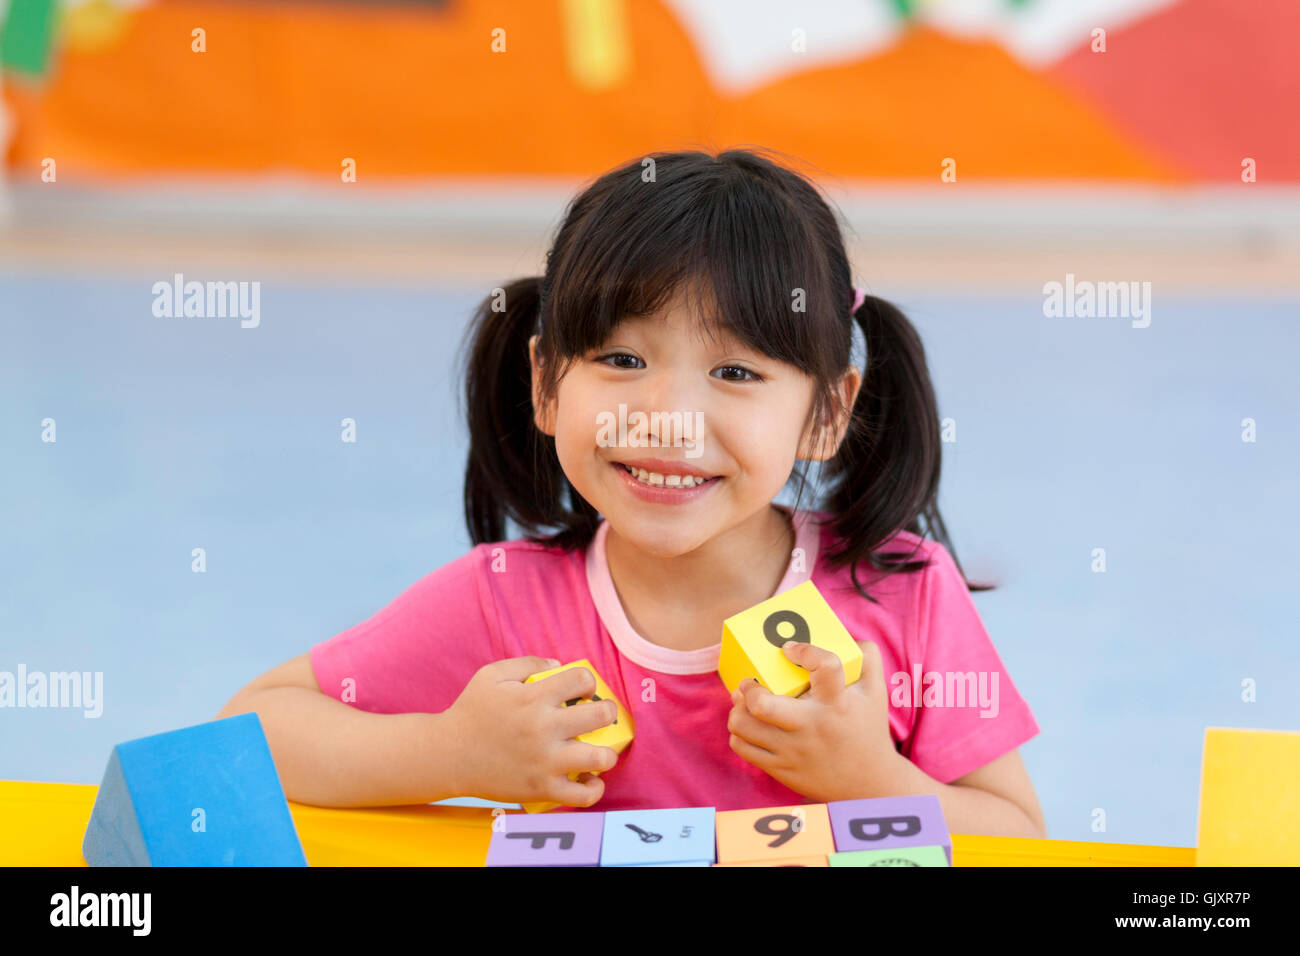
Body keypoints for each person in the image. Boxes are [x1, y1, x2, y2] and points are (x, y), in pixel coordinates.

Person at [217, 148, 1045, 837]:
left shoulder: (903, 592)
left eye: (734, 372)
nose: (669, 422)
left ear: (827, 411)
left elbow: (1022, 839)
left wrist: (869, 778)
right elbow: (246, 735)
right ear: (546, 383)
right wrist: (451, 752)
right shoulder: (504, 604)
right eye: (621, 361)